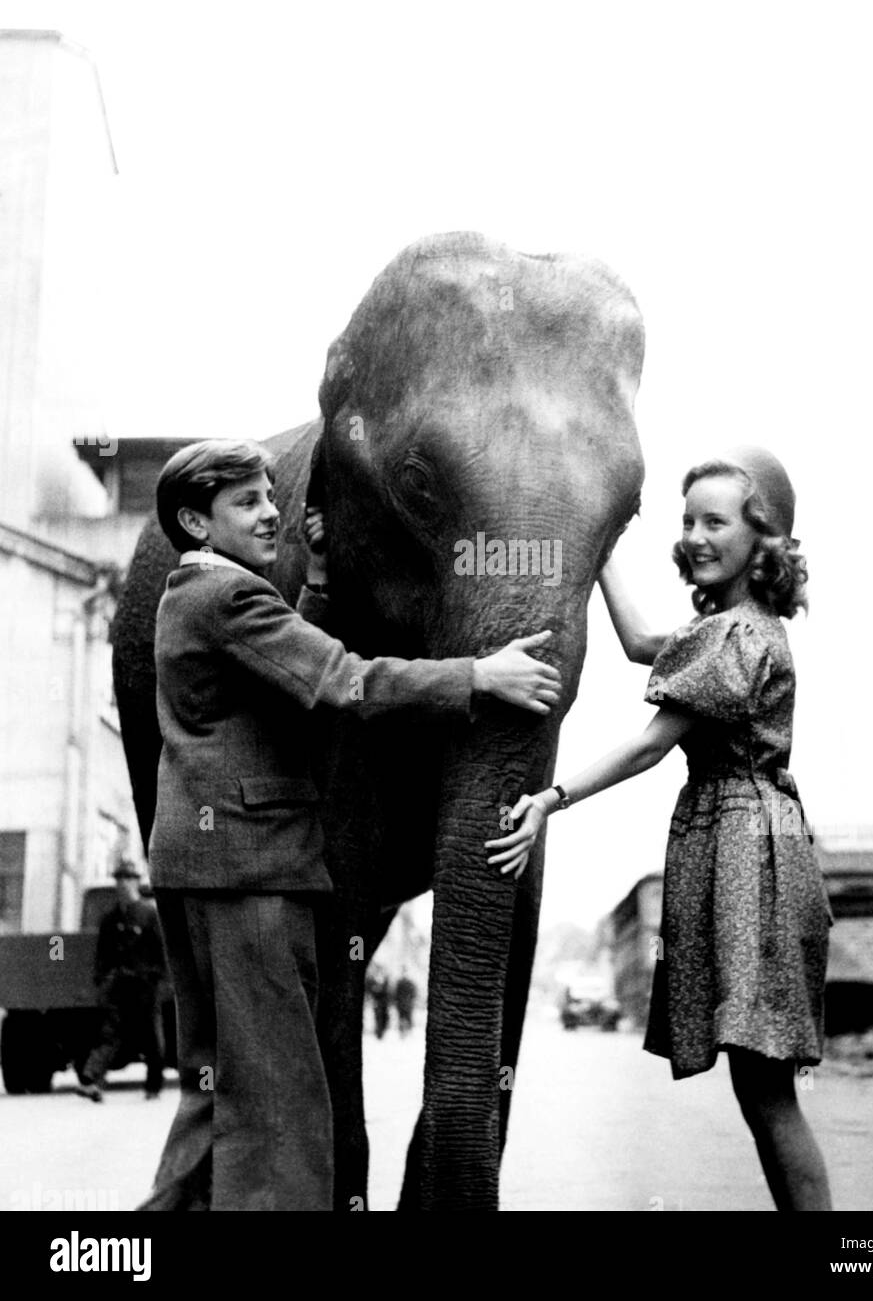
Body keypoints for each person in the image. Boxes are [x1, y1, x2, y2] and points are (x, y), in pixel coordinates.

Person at [137, 438, 561, 1212]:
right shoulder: (231, 601)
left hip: (199, 865)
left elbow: (278, 664)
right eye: (247, 503)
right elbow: (344, 680)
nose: (273, 515)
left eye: (271, 495)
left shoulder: (192, 595)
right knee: (280, 1104)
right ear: (197, 523)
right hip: (253, 871)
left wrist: (322, 580)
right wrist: (479, 676)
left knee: (217, 1087)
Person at [490, 447, 833, 1212]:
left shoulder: (739, 637)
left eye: (716, 521)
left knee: (766, 1087)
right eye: (688, 521)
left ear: (762, 538)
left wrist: (552, 796)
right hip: (737, 838)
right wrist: (605, 548)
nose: (696, 535)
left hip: (747, 846)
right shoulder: (726, 629)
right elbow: (645, 643)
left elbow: (652, 741)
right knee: (761, 1086)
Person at [75, 858, 167, 1103]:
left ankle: (153, 1086)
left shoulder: (149, 915)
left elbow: (162, 950)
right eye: (119, 879)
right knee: (110, 1033)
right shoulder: (110, 919)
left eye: (128, 879)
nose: (123, 884)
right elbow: (103, 954)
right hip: (120, 985)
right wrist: (101, 979)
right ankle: (90, 1079)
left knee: (151, 1037)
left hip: (145, 985)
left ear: (137, 882)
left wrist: (160, 978)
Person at [393, 967, 418, 1036]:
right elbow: (395, 994)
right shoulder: (399, 983)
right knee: (401, 1018)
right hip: (401, 1004)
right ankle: (402, 1032)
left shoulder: (410, 983)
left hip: (407, 1004)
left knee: (408, 1018)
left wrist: (411, 1001)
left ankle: (409, 1031)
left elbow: (414, 993)